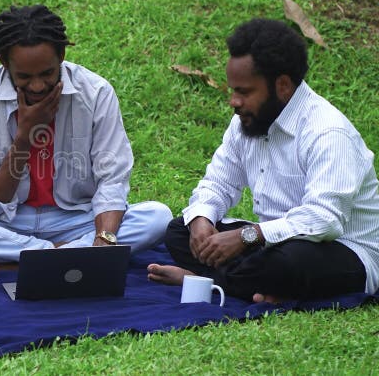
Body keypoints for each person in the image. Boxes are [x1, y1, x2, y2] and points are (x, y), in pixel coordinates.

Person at [147, 18, 379, 302]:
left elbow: (324, 220)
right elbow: (217, 184)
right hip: (272, 241)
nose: (233, 101)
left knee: (286, 263)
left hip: (341, 250)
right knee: (180, 230)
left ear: (282, 86)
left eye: (244, 92)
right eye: (233, 90)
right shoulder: (247, 121)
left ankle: (205, 282)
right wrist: (201, 219)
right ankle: (255, 286)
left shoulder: (328, 132)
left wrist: (247, 235)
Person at [0, 5, 172, 269]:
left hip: (75, 217)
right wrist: (24, 137)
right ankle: (65, 258)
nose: (37, 86)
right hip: (10, 221)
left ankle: (16, 264)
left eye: (47, 73)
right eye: (24, 77)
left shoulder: (96, 93)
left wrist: (104, 240)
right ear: (4, 62)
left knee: (157, 217)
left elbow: (112, 180)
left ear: (62, 55)